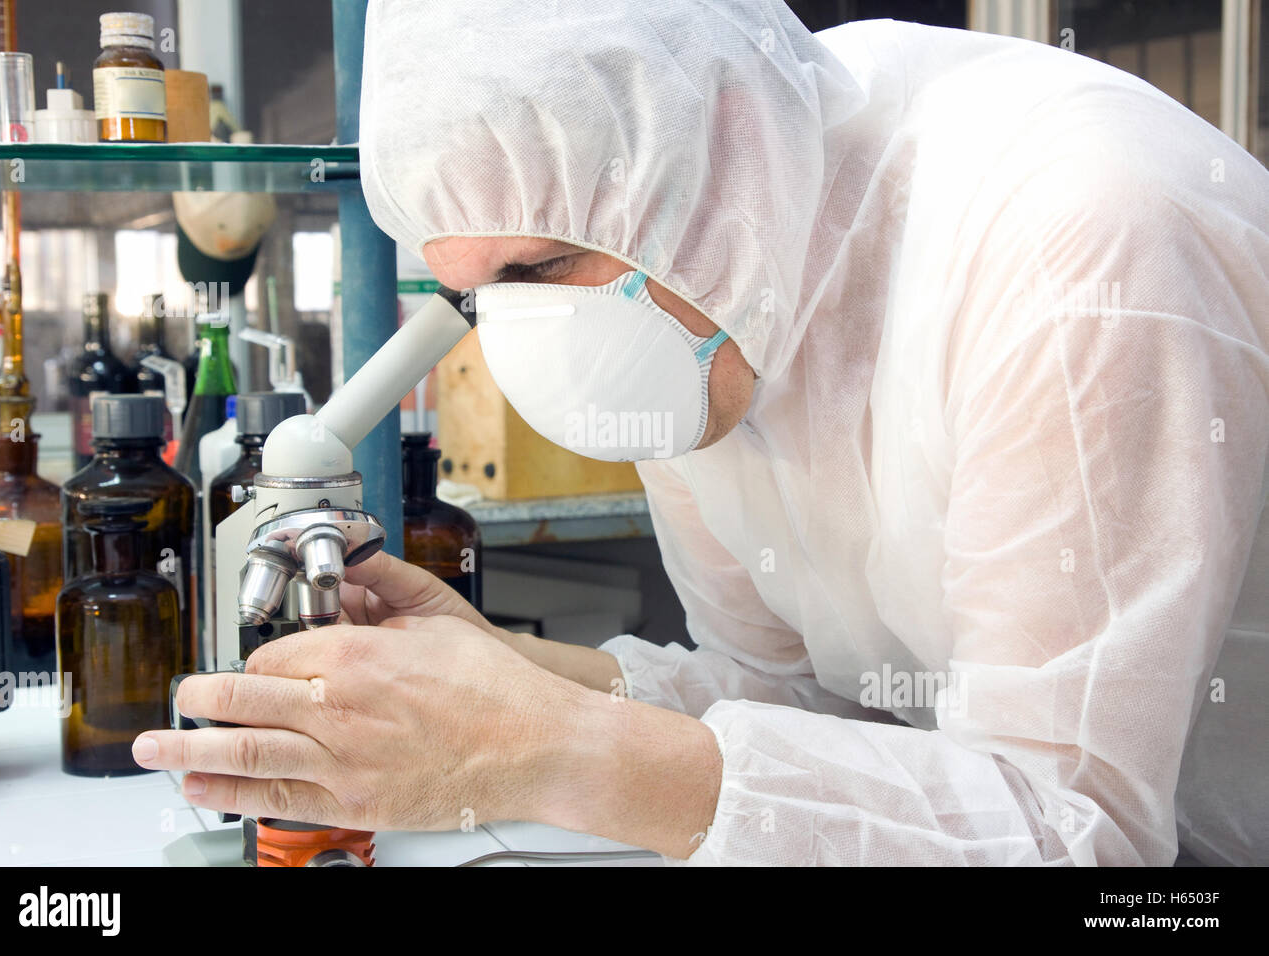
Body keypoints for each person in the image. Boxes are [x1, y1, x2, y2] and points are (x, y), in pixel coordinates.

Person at [135, 0, 1269, 865]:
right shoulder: (710, 267)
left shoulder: (1077, 245)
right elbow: (796, 707)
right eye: (480, 294)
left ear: (706, 150)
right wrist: (502, 675)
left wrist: (537, 750)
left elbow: (1082, 840)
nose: (536, 340)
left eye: (540, 267)